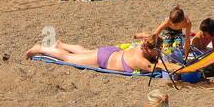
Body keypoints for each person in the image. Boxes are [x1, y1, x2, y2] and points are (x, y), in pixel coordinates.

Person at [25, 37, 159, 74]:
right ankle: (40, 48)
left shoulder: (142, 46)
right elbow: (158, 67)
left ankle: (61, 45)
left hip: (111, 52)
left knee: (85, 52)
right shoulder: (141, 60)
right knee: (68, 58)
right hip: (104, 58)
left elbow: (148, 36)